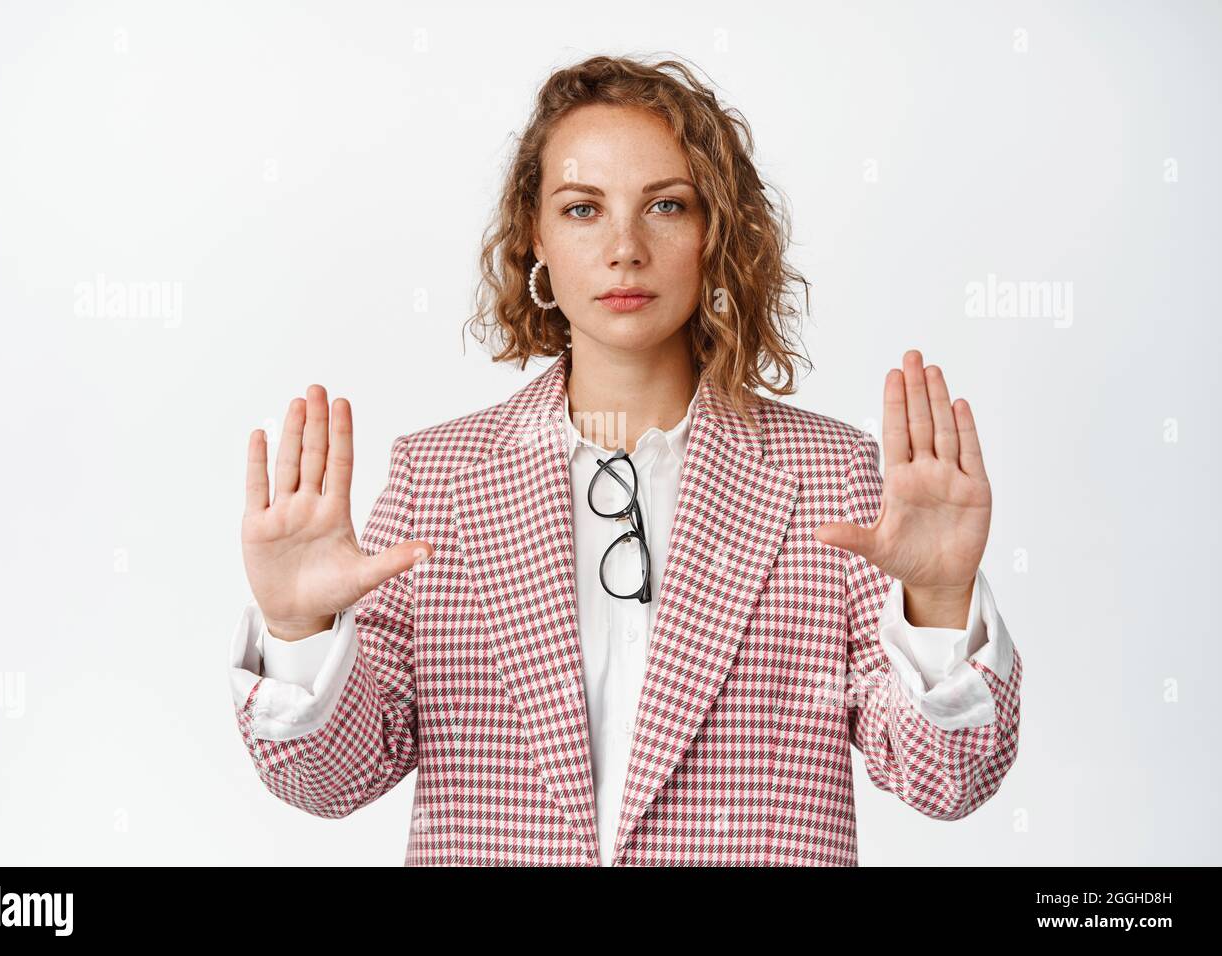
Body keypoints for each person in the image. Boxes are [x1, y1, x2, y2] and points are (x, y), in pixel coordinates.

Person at [227, 54, 1021, 866]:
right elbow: (332, 782)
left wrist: (940, 600)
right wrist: (298, 631)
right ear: (535, 234)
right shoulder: (441, 477)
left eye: (666, 206)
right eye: (582, 209)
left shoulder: (831, 475)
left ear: (715, 230)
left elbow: (947, 783)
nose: (625, 248)